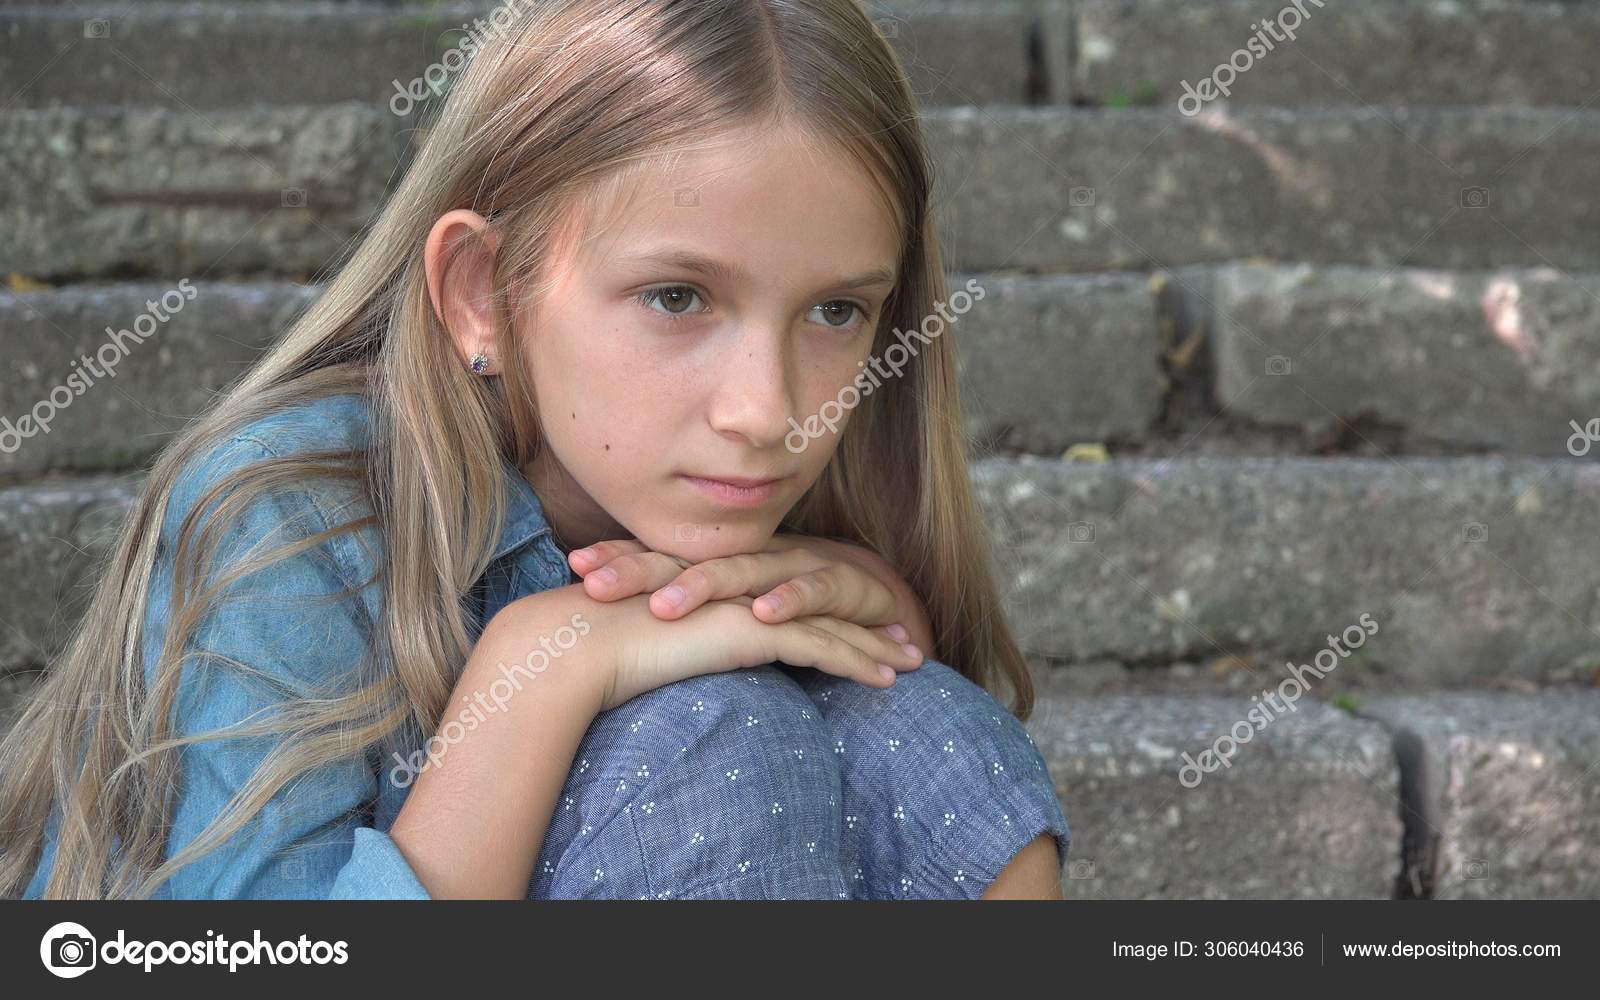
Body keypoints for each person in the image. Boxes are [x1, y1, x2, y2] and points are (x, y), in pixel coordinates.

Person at [0, 0, 1067, 900]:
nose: (763, 409)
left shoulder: (783, 480)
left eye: (836, 311)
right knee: (715, 733)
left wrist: (874, 609)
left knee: (925, 731)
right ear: (480, 293)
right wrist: (543, 668)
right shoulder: (289, 505)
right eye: (676, 296)